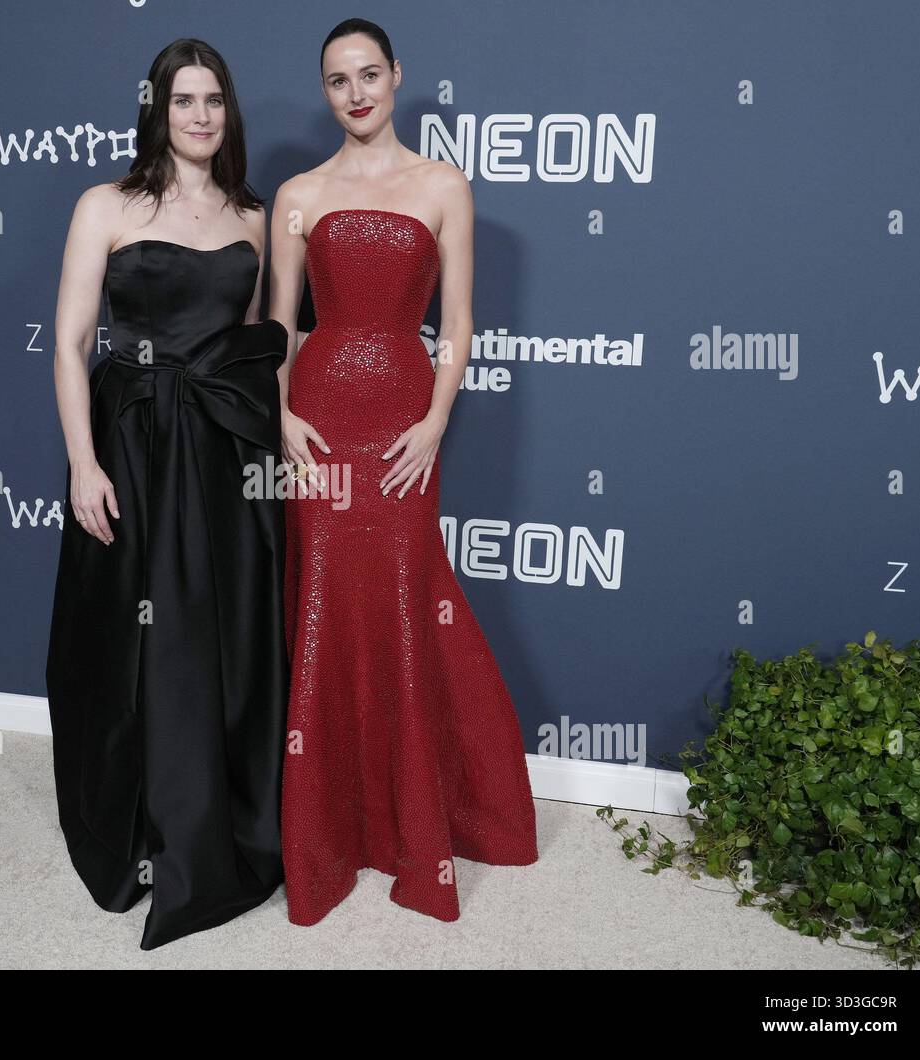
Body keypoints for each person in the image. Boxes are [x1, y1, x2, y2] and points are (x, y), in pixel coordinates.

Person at [268, 18, 539, 927]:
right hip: (317, 421)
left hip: (400, 419)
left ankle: (414, 825)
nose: (356, 93)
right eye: (338, 80)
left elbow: (457, 322)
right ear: (325, 91)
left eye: (369, 74)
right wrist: (282, 414)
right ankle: (327, 834)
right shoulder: (299, 193)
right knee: (322, 605)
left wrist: (433, 420)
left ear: (397, 78)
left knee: (401, 592)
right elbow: (279, 329)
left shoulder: (442, 185)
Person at [45, 38, 289, 950]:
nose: (199, 115)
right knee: (131, 638)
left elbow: (262, 339)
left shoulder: (254, 215)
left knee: (214, 635)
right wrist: (82, 460)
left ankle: (214, 822)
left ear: (229, 112)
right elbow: (72, 344)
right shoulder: (104, 204)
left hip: (222, 449)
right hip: (133, 440)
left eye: (213, 100)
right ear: (156, 108)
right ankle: (139, 826)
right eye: (183, 99)